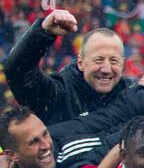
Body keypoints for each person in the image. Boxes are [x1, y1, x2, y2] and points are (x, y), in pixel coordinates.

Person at [2, 11, 130, 124]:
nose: (106, 69)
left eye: (114, 61)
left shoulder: (132, 94)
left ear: (122, 64)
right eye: (98, 60)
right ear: (81, 62)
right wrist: (42, 32)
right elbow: (17, 71)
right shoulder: (57, 94)